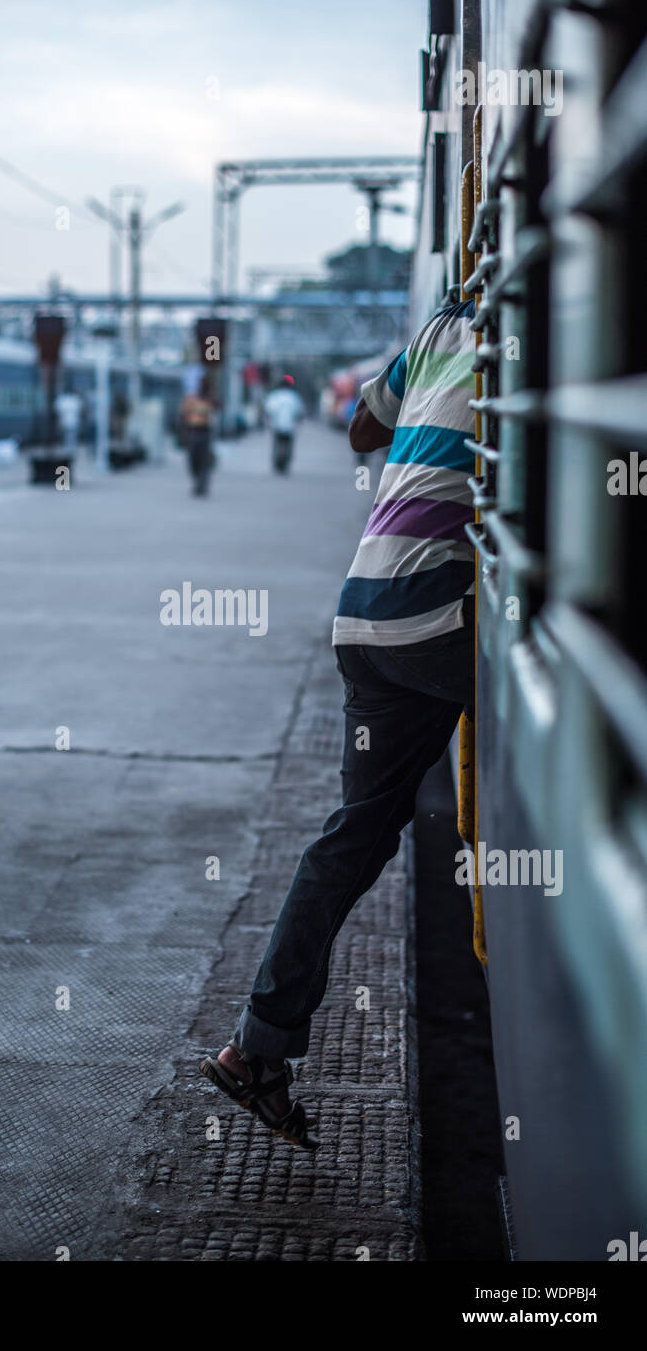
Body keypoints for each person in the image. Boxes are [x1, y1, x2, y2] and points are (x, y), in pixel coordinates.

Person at [200, 298, 478, 1150]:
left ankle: (256, 1049)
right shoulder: (522, 311)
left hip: (361, 609)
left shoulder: (443, 324)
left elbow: (363, 429)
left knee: (352, 834)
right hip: (435, 613)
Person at [179, 375, 216, 496]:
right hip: (193, 431)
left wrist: (211, 397)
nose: (203, 387)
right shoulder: (191, 399)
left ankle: (202, 485)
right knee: (193, 460)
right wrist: (183, 432)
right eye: (201, 384)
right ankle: (197, 481)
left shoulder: (210, 399)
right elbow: (183, 416)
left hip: (205, 431)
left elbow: (218, 406)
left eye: (205, 385)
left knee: (204, 461)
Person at [263, 374, 304, 473]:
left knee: (276, 443)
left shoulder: (274, 396)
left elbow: (268, 411)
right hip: (290, 427)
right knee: (288, 445)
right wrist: (298, 422)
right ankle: (286, 463)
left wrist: (268, 424)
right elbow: (299, 412)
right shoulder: (294, 396)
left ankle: (276, 463)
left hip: (276, 425)